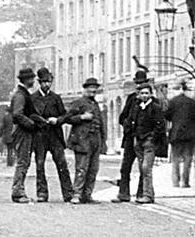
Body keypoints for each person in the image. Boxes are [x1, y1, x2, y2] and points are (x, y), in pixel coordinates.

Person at [32, 67, 74, 202]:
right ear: (39, 82)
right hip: (39, 136)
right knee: (40, 165)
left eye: (49, 81)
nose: (47, 84)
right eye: (44, 82)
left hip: (55, 135)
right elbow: (30, 115)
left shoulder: (56, 98)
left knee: (62, 164)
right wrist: (39, 121)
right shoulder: (32, 98)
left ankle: (68, 193)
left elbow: (64, 115)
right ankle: (42, 193)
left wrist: (58, 120)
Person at [65, 77, 106, 203]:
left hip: (95, 140)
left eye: (95, 88)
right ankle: (77, 194)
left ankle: (87, 194)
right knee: (81, 168)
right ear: (85, 89)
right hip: (83, 140)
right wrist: (82, 117)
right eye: (90, 88)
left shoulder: (95, 104)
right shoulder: (78, 102)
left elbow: (101, 124)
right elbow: (67, 118)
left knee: (93, 169)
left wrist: (103, 142)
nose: (93, 90)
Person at [112, 70, 149, 202]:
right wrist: (128, 125)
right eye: (137, 84)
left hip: (144, 139)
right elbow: (122, 118)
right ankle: (123, 194)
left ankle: (141, 194)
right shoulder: (131, 99)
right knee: (125, 167)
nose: (139, 87)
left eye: (142, 84)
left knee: (143, 168)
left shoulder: (152, 101)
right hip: (130, 138)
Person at [130, 81, 168, 203]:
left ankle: (147, 195)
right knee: (142, 168)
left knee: (146, 168)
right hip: (139, 142)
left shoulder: (155, 108)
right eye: (142, 93)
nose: (145, 95)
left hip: (149, 142)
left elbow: (160, 126)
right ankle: (149, 194)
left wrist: (152, 137)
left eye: (147, 93)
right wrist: (134, 135)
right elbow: (130, 121)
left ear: (151, 94)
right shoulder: (137, 108)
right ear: (139, 95)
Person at [9, 66, 43, 203]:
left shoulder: (23, 93)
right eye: (32, 78)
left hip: (24, 132)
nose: (34, 81)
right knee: (23, 162)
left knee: (24, 162)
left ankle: (19, 191)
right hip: (23, 132)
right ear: (27, 79)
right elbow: (17, 114)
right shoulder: (20, 95)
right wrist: (32, 124)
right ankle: (18, 192)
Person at [164, 78, 195, 188]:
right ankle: (185, 182)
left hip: (176, 134)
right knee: (188, 158)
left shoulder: (173, 102)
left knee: (175, 158)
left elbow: (167, 116)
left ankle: (176, 181)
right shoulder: (193, 103)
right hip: (190, 134)